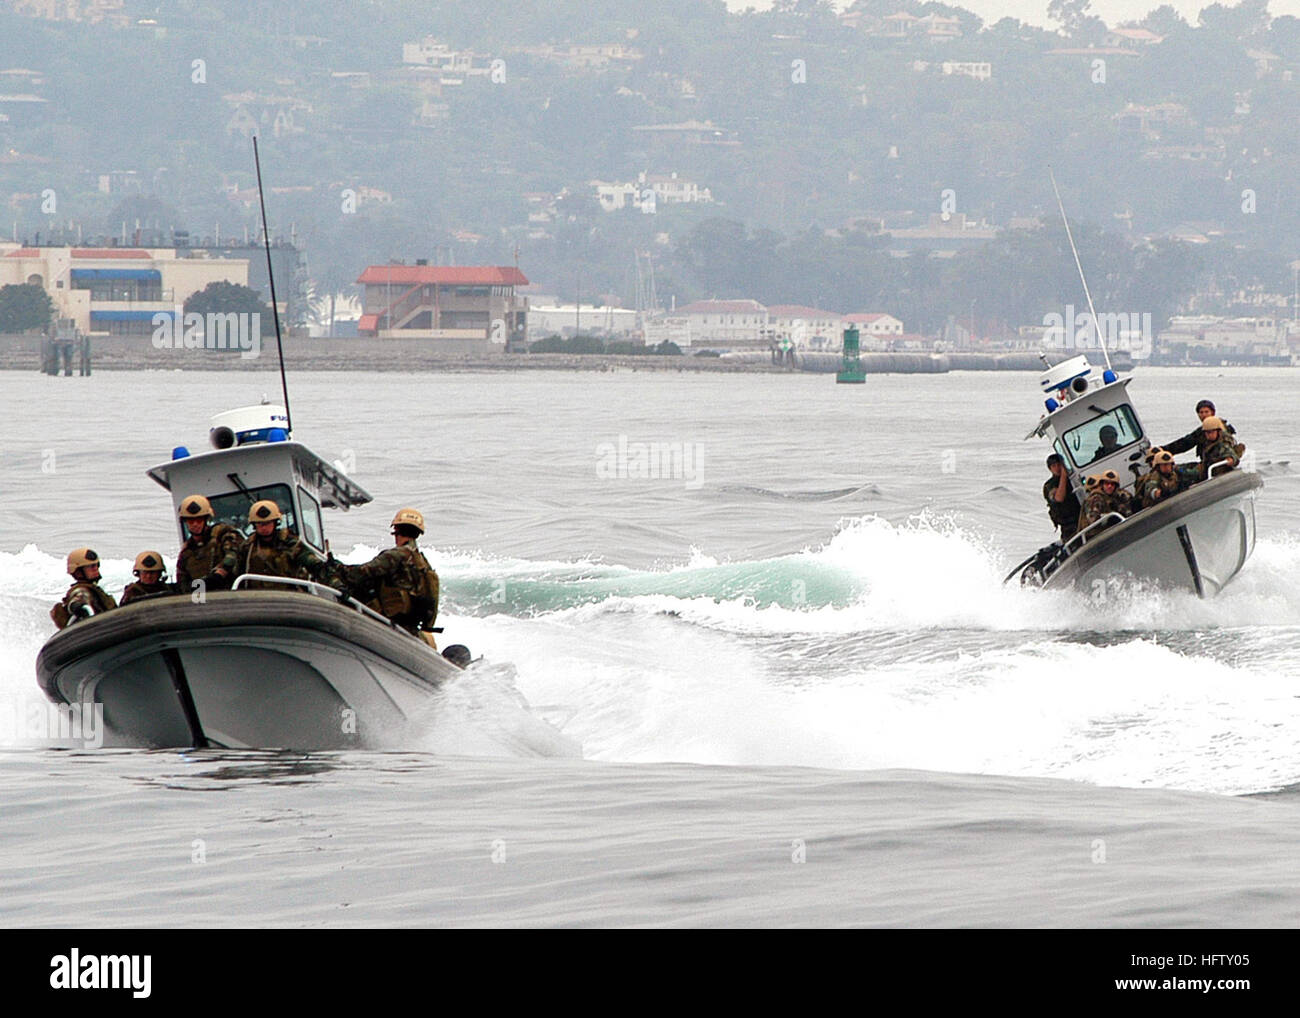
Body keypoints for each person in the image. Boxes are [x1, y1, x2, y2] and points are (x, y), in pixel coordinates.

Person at [342, 507, 440, 640]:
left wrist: (335, 568)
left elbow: (359, 574)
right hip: (410, 626)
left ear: (397, 531)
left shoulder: (395, 556)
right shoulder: (422, 562)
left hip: (390, 622)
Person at [234, 499, 326, 591]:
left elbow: (314, 564)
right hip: (255, 598)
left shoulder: (291, 544)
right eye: (260, 524)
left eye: (268, 523)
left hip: (287, 599)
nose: (264, 527)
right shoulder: (247, 547)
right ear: (254, 525)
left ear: (275, 522)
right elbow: (236, 573)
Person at [175, 494, 241, 594]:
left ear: (206, 519)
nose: (195, 524)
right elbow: (182, 584)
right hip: (204, 602)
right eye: (191, 521)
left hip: (231, 595)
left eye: (199, 520)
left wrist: (219, 573)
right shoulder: (186, 553)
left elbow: (234, 553)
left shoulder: (223, 534)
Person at [51, 548, 117, 629]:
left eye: (97, 565)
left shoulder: (94, 590)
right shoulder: (81, 590)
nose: (96, 568)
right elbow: (79, 598)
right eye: (91, 566)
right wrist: (78, 606)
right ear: (78, 572)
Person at [1163, 399, 1238, 459]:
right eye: (1201, 412)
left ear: (1213, 413)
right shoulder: (1203, 430)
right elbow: (1186, 442)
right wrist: (1164, 449)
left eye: (1206, 412)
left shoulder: (1220, 428)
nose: (1204, 415)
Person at [1076, 469, 1131, 536]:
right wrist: (1108, 518)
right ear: (1102, 485)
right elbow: (1093, 521)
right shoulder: (1096, 499)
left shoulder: (1118, 495)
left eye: (1112, 484)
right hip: (1098, 536)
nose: (1109, 486)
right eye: (1107, 483)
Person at [1042, 453, 1081, 543]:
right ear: (1050, 468)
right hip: (1068, 526)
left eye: (1059, 465)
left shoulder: (1072, 478)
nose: (1057, 468)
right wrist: (1063, 476)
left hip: (1080, 518)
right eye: (1054, 466)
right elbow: (1059, 498)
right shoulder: (1049, 486)